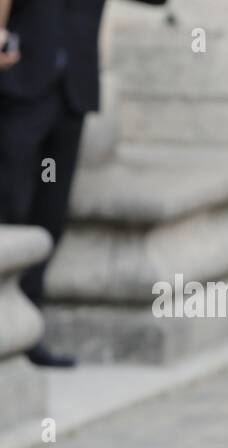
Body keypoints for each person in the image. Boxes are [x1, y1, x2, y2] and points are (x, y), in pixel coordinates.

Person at [0, 0, 167, 367]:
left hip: (72, 93)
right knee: (11, 207)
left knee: (51, 214)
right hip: (21, 85)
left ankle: (27, 327)